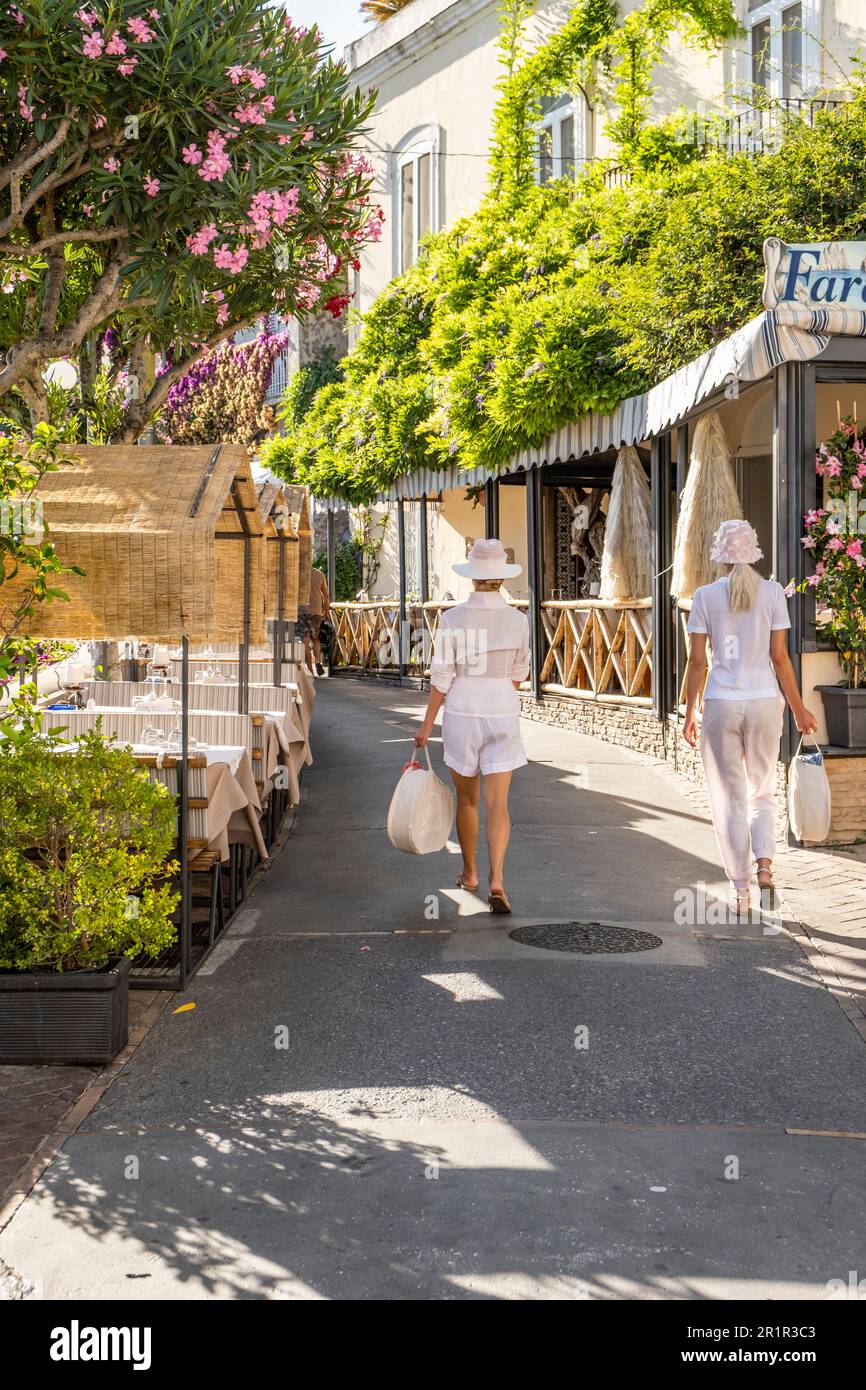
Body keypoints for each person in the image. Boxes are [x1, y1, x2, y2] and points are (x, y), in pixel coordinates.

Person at [683, 519, 818, 914]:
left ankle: (740, 891)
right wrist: (798, 708)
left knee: (728, 799)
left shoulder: (705, 596)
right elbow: (780, 658)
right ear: (754, 555)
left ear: (721, 558)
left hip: (721, 704)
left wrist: (691, 710)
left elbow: (696, 662)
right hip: (763, 703)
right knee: (762, 790)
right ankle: (765, 868)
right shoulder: (773, 592)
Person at [414, 538, 530, 914]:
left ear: (473, 577)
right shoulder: (518, 620)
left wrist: (426, 726)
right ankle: (498, 879)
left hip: (463, 711)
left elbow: (442, 677)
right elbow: (518, 674)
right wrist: (496, 692)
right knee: (499, 803)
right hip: (502, 711)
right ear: (500, 577)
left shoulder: (452, 619)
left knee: (467, 799)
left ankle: (470, 873)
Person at [297, 565, 331, 675]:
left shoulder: (297, 574)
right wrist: (326, 611)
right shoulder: (319, 574)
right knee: (316, 639)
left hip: (301, 611)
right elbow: (326, 595)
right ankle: (317, 660)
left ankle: (310, 672)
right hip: (316, 611)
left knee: (305, 641)